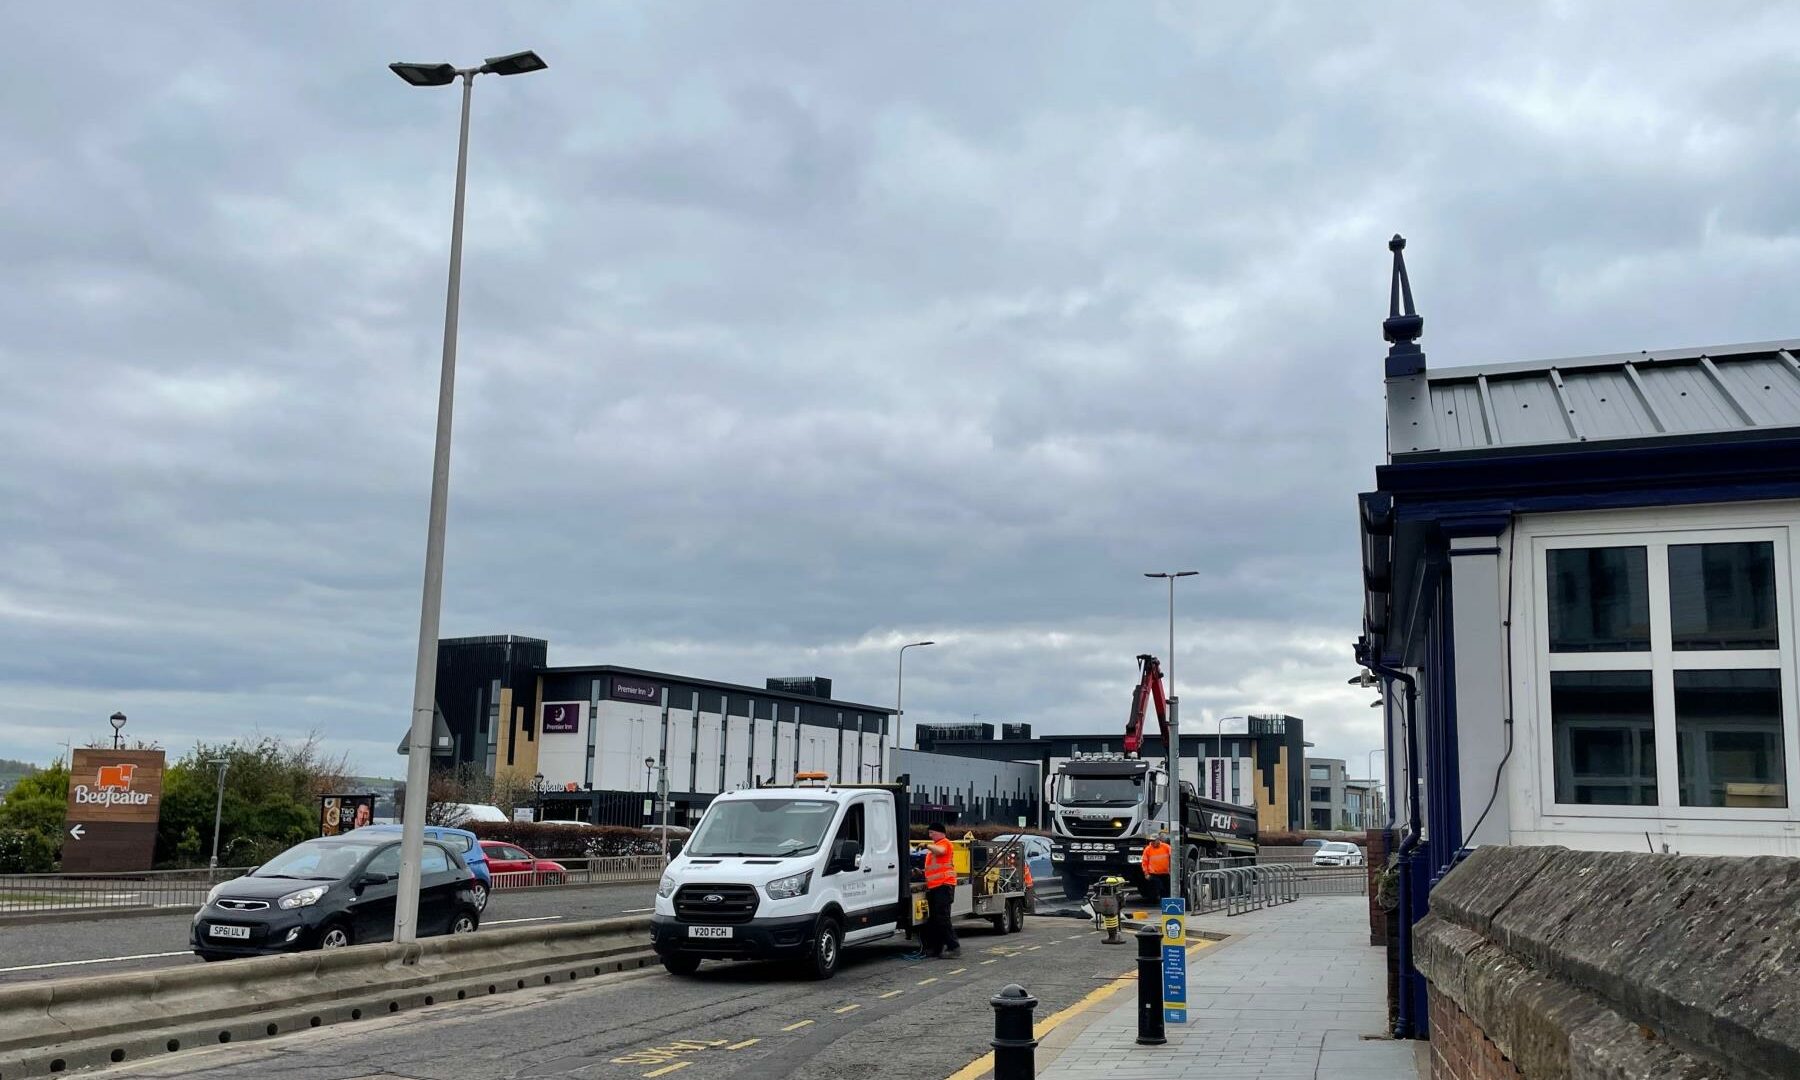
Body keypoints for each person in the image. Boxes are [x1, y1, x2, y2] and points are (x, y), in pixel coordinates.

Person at [921, 822, 961, 959]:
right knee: (934, 919)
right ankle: (936, 949)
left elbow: (941, 852)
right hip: (935, 887)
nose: (930, 835)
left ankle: (953, 947)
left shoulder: (945, 843)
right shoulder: (934, 848)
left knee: (942, 918)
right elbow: (933, 868)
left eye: (932, 833)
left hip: (944, 885)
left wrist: (927, 846)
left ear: (940, 833)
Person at [1139, 830, 1172, 904]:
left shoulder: (1166, 847)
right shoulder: (1148, 849)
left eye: (1154, 841)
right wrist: (1146, 873)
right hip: (1154, 874)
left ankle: (1166, 904)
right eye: (1151, 841)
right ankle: (1162, 902)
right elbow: (1144, 862)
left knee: (1166, 889)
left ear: (1158, 840)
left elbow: (1173, 857)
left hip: (1165, 873)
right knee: (1160, 888)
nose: (1152, 842)